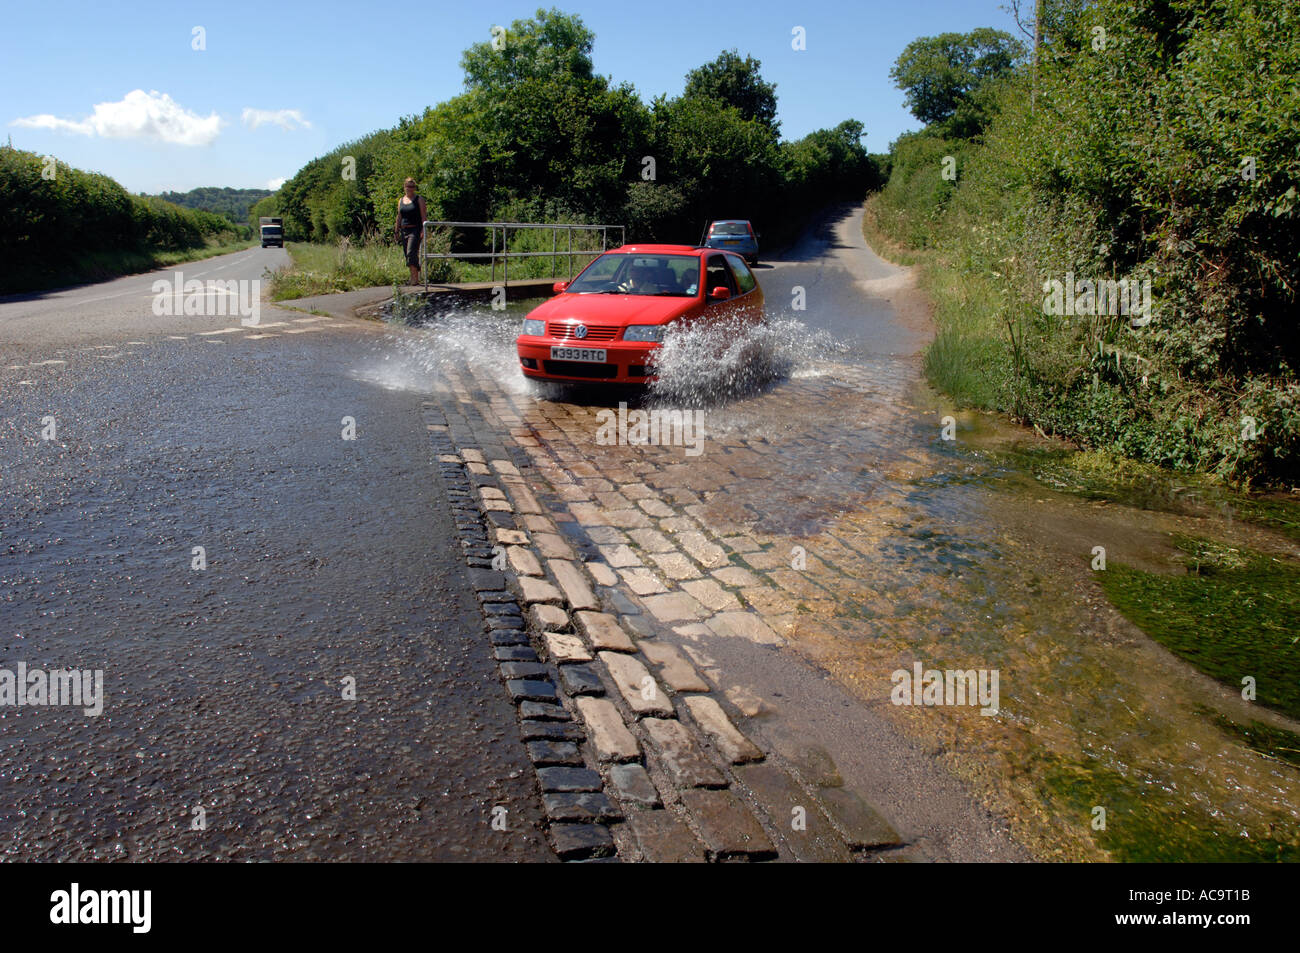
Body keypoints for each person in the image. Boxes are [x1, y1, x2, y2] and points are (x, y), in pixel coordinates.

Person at [394, 178, 427, 285]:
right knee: (407, 254)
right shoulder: (401, 200)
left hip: (415, 229)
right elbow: (399, 216)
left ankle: (415, 279)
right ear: (404, 187)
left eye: (412, 186)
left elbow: (423, 217)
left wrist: (423, 230)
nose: (410, 189)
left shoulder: (419, 199)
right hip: (404, 229)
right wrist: (396, 231)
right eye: (408, 186)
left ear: (415, 188)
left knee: (411, 252)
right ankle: (413, 277)